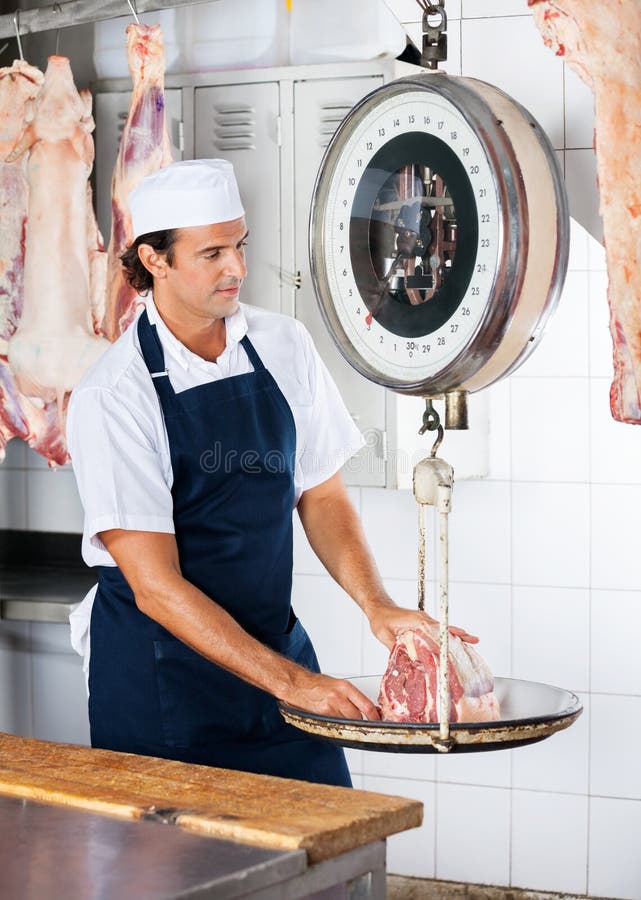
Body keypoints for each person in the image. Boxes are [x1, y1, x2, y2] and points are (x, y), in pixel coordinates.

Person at [67, 159, 477, 788]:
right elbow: (155, 587)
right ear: (155, 260)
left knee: (324, 857)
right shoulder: (114, 396)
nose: (236, 267)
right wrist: (297, 684)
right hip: (163, 685)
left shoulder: (282, 343)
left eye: (239, 245)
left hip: (272, 656)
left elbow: (321, 493)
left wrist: (378, 605)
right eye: (212, 253)